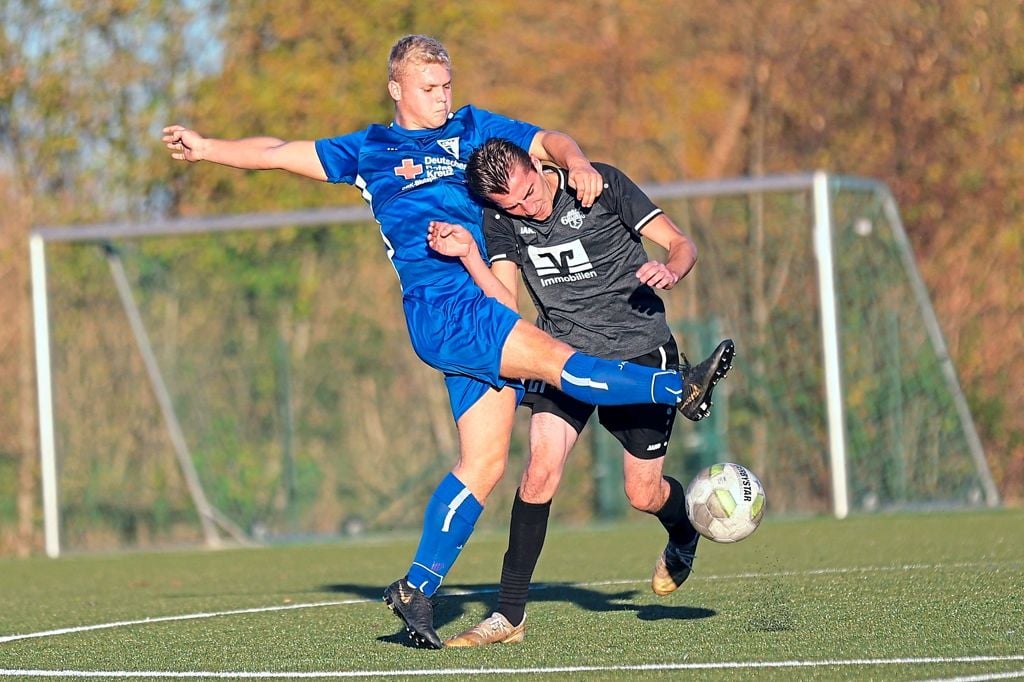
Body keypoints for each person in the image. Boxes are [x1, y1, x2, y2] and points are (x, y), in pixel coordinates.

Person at [162, 34, 732, 649]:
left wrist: (578, 161)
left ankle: (415, 589)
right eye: (429, 89)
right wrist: (208, 148)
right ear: (397, 89)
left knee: (483, 465)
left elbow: (549, 142)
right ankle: (679, 384)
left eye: (447, 86)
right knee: (560, 363)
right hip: (442, 304)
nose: (442, 98)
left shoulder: (470, 129)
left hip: (481, 299)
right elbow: (277, 152)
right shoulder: (369, 149)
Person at [427, 138, 732, 647]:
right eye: (515, 205)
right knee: (539, 470)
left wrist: (671, 270)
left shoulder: (600, 184)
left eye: (529, 191)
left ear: (536, 166)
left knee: (643, 493)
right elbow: (505, 300)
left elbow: (682, 244)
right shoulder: (500, 220)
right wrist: (468, 257)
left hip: (639, 350)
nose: (529, 207)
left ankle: (683, 531)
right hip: (563, 357)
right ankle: (509, 617)